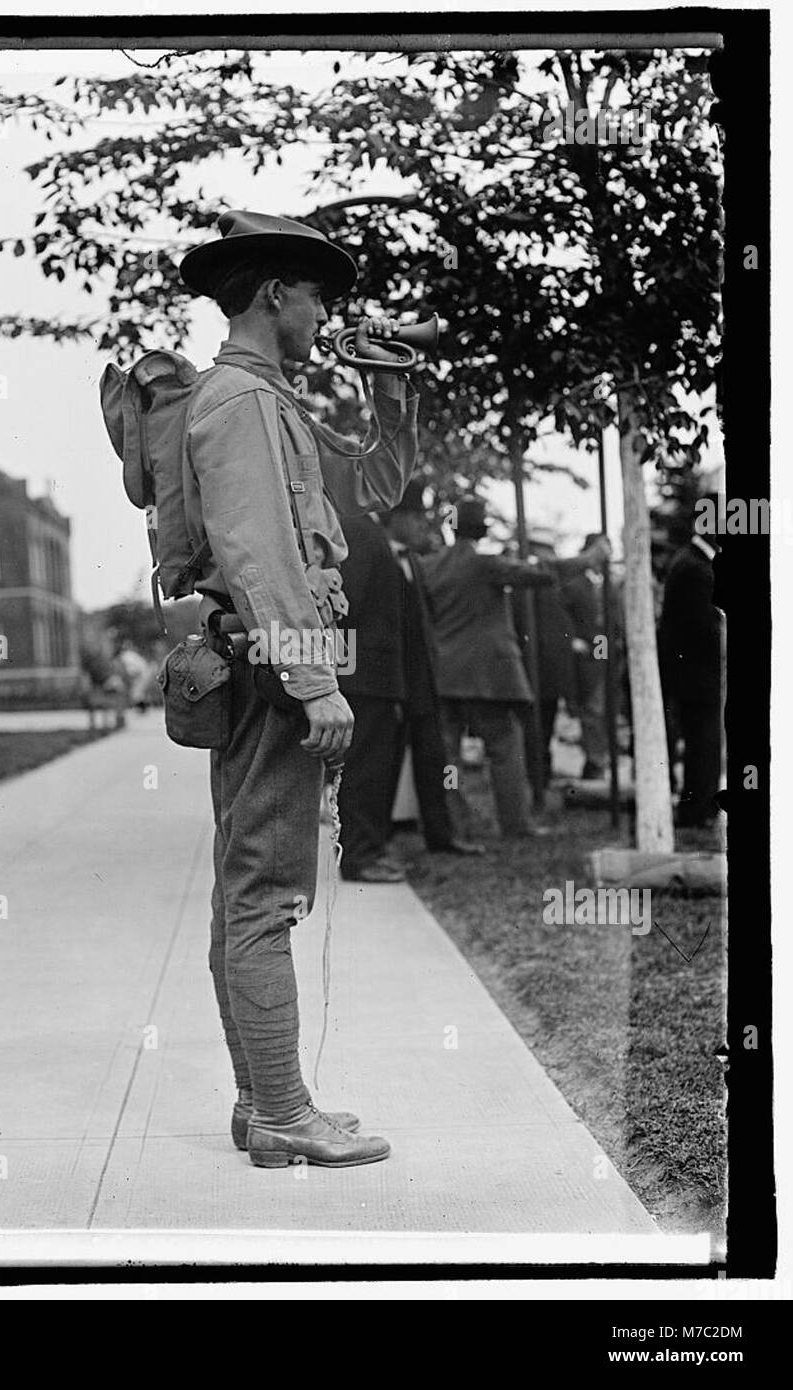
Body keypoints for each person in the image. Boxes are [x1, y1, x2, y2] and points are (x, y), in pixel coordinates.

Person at [178, 209, 419, 1168]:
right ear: (276, 292)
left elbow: (375, 492)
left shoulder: (268, 401)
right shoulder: (239, 405)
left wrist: (389, 386)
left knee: (249, 893)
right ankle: (280, 1110)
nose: (327, 317)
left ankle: (263, 1105)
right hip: (272, 670)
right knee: (266, 897)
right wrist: (315, 679)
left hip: (260, 665)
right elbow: (255, 551)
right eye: (320, 296)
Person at [420, 498, 610, 840]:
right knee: (505, 750)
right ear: (482, 530)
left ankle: (455, 823)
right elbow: (541, 575)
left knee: (449, 760)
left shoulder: (431, 566)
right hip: (489, 674)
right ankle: (516, 824)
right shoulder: (486, 565)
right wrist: (589, 559)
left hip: (444, 672)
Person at [336, 481, 480, 882]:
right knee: (368, 771)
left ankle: (381, 846)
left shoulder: (407, 558)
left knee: (396, 766)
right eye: (416, 517)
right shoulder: (363, 537)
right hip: (369, 682)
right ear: (395, 516)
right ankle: (361, 856)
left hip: (403, 682)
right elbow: (348, 608)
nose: (423, 527)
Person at [657, 500, 724, 828]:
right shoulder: (695, 568)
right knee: (703, 743)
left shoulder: (693, 563)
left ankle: (701, 807)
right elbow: (705, 626)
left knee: (705, 743)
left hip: (694, 673)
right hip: (696, 675)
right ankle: (697, 810)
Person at [511, 537, 577, 802]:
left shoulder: (541, 588)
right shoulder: (533, 587)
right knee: (535, 731)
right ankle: (538, 781)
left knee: (539, 730)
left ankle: (540, 780)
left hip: (542, 671)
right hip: (536, 670)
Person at [560, 534, 609, 780]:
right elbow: (561, 616)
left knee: (606, 708)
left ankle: (601, 758)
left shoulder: (611, 582)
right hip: (589, 655)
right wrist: (571, 639)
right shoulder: (574, 584)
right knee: (593, 708)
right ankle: (595, 761)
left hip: (611, 654)